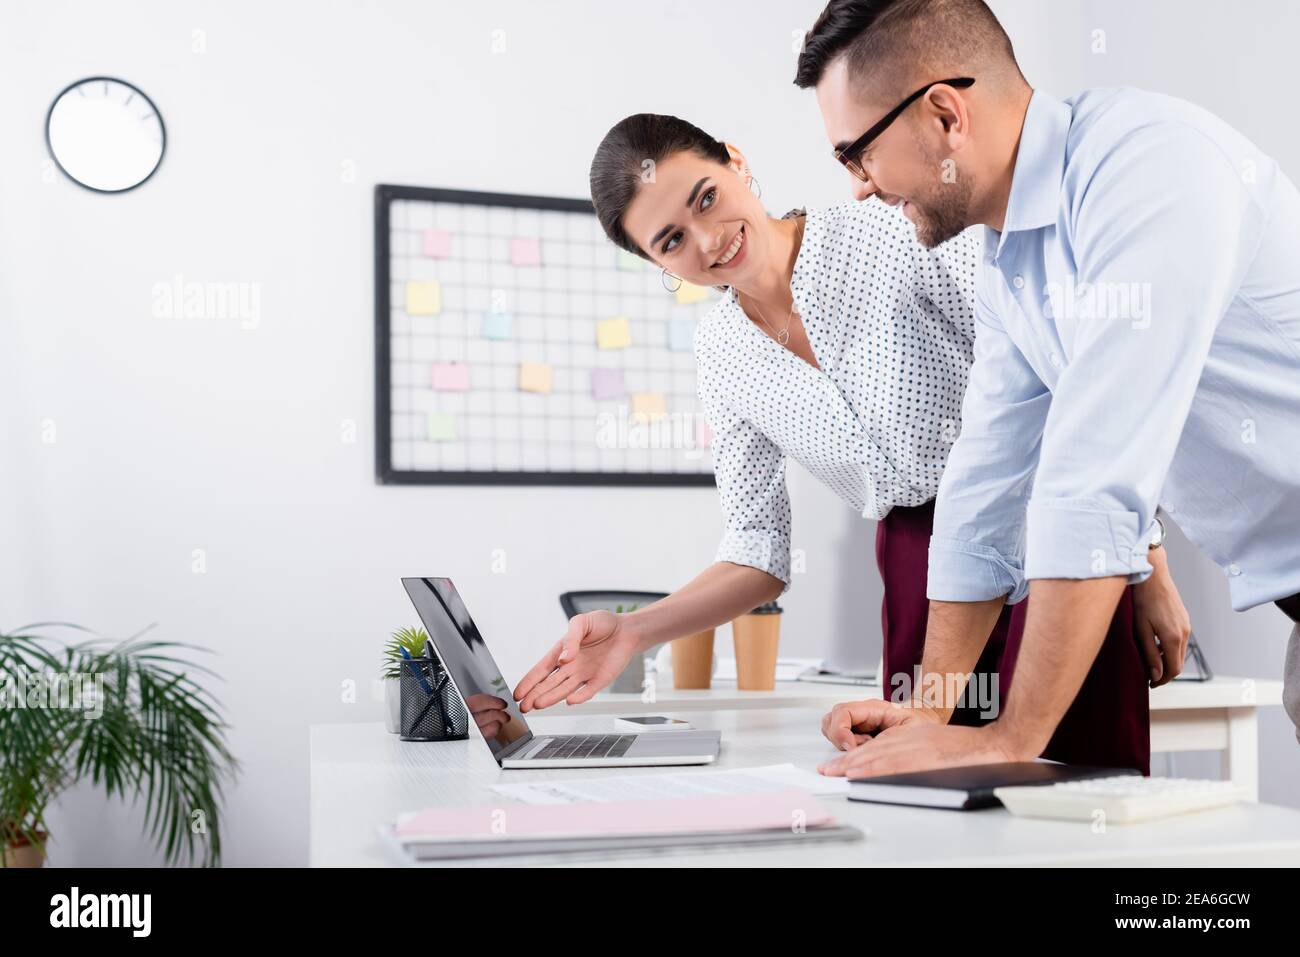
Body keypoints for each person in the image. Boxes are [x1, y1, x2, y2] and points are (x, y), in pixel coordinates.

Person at [507, 111, 1191, 772]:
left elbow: (1059, 369)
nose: (708, 239)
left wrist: (1147, 554)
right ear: (661, 264)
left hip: (1050, 529)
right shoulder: (720, 352)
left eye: (706, 197)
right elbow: (756, 552)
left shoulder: (889, 231)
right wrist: (634, 631)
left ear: (736, 162)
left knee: (1080, 786)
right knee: (927, 797)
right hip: (916, 570)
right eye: (672, 240)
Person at [794, 0, 1300, 778]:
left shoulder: (1148, 171)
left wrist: (1009, 735)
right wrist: (930, 706)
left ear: (943, 114)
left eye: (857, 154)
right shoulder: (1012, 257)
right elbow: (985, 483)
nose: (861, 188)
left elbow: (1092, 480)